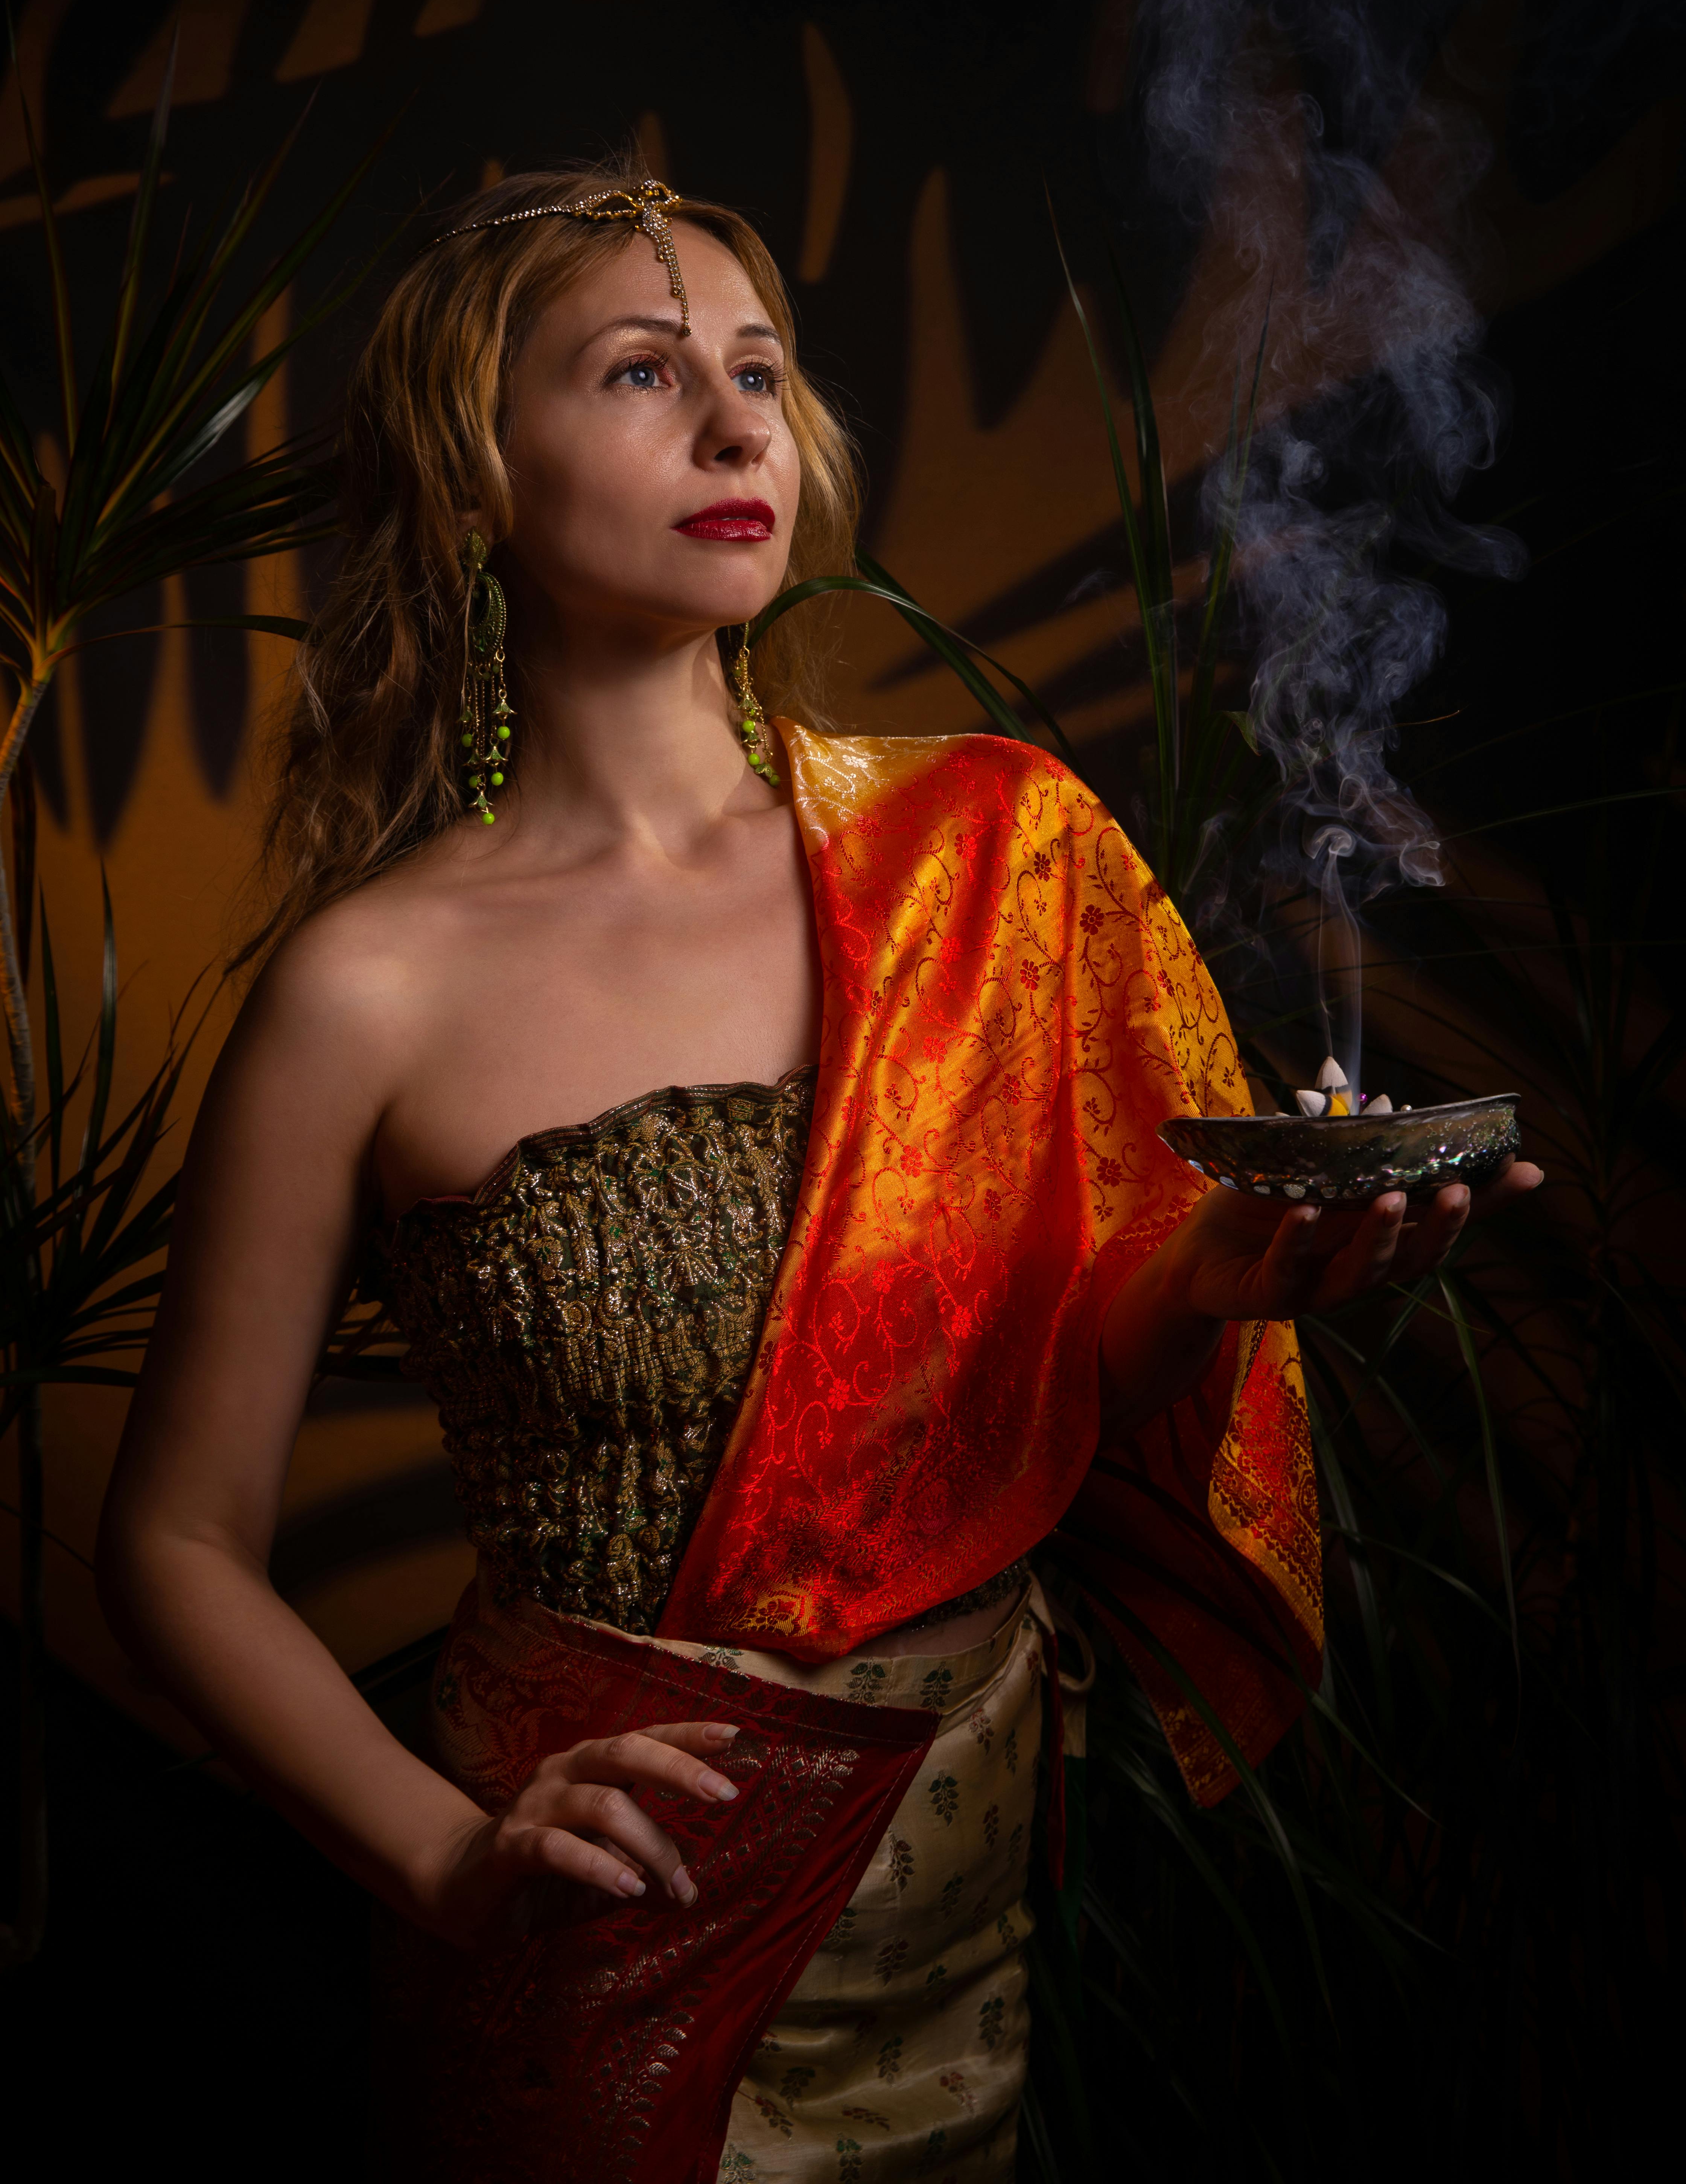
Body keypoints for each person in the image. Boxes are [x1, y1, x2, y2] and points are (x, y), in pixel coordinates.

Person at [97, 161, 1540, 2182]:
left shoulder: (993, 859)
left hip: (950, 1879)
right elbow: (169, 1546)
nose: (731, 423)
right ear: (469, 469)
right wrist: (443, 1854)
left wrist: (1220, 1275)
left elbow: (1032, 1383)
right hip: (598, 1916)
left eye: (759, 372)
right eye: (637, 371)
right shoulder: (369, 987)